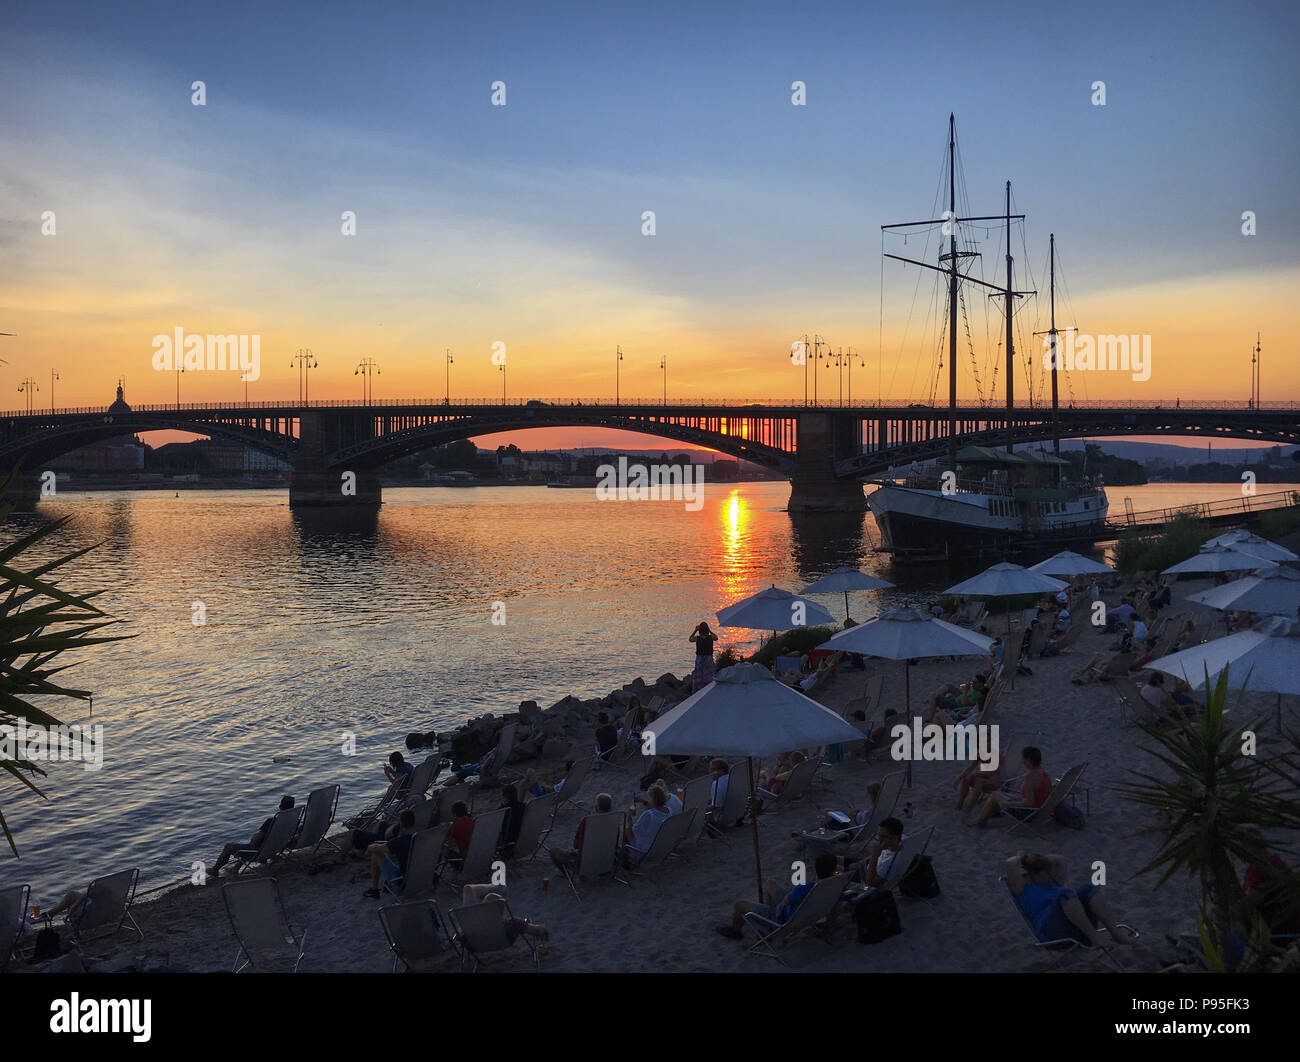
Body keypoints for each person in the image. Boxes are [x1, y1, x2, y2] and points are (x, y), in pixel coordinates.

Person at [1005, 852, 1135, 947]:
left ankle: (1115, 933)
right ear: (1034, 874)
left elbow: (1060, 859)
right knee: (1065, 893)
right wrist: (1026, 859)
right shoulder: (1023, 889)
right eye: (1046, 873)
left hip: (1078, 927)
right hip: (1052, 933)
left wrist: (1039, 860)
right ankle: (1095, 937)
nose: (1051, 875)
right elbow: (1010, 863)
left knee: (1088, 887)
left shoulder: (1053, 882)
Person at [716, 851, 839, 939]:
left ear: (816, 869)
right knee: (770, 883)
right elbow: (834, 909)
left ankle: (735, 931)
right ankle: (765, 919)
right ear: (833, 870)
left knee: (739, 905)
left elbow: (786, 902)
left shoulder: (805, 888)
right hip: (804, 913)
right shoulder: (834, 886)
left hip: (783, 919)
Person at [210, 795, 296, 876]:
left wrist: (254, 838)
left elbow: (256, 840)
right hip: (275, 849)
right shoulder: (293, 822)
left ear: (280, 806)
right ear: (292, 807)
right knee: (256, 843)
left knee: (228, 847)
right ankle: (236, 868)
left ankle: (215, 870)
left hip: (260, 853)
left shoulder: (272, 821)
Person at [970, 747, 1051, 827]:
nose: (1023, 762)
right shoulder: (1044, 773)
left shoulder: (1030, 777)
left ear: (1029, 760)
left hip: (1029, 813)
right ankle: (985, 816)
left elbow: (1029, 803)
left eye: (1024, 760)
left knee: (995, 796)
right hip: (1039, 810)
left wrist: (1008, 804)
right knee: (997, 794)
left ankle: (979, 822)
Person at [549, 793, 614, 867]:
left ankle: (566, 875)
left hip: (586, 864)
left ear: (596, 808)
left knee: (553, 851)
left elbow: (576, 845)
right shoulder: (614, 821)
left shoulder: (588, 822)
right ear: (610, 808)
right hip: (607, 861)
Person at [364, 808, 417, 898]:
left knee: (375, 853)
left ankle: (375, 890)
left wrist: (368, 848)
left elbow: (376, 848)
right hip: (422, 879)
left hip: (402, 884)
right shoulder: (423, 838)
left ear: (401, 824)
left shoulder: (399, 841)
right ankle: (375, 890)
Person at [624, 786, 672, 862]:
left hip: (645, 851)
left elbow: (634, 831)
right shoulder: (669, 811)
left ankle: (627, 861)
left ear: (653, 800)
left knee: (626, 830)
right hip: (659, 847)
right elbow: (656, 810)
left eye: (650, 798)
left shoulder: (648, 815)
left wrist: (629, 818)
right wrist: (644, 802)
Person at [441, 801, 474, 866]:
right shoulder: (472, 821)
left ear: (455, 815)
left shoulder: (454, 826)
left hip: (464, 858)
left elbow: (444, 840)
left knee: (443, 849)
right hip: (474, 851)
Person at [689, 622, 718, 692]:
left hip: (700, 659)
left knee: (699, 675)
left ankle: (698, 690)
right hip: (708, 658)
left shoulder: (697, 638)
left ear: (700, 630)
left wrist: (695, 630)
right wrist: (710, 630)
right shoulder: (710, 637)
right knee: (709, 674)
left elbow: (690, 639)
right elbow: (716, 638)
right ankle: (709, 689)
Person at [499, 784, 526, 852]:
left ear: (505, 797)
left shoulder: (503, 811)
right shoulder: (524, 807)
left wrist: (501, 805)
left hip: (508, 843)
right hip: (522, 838)